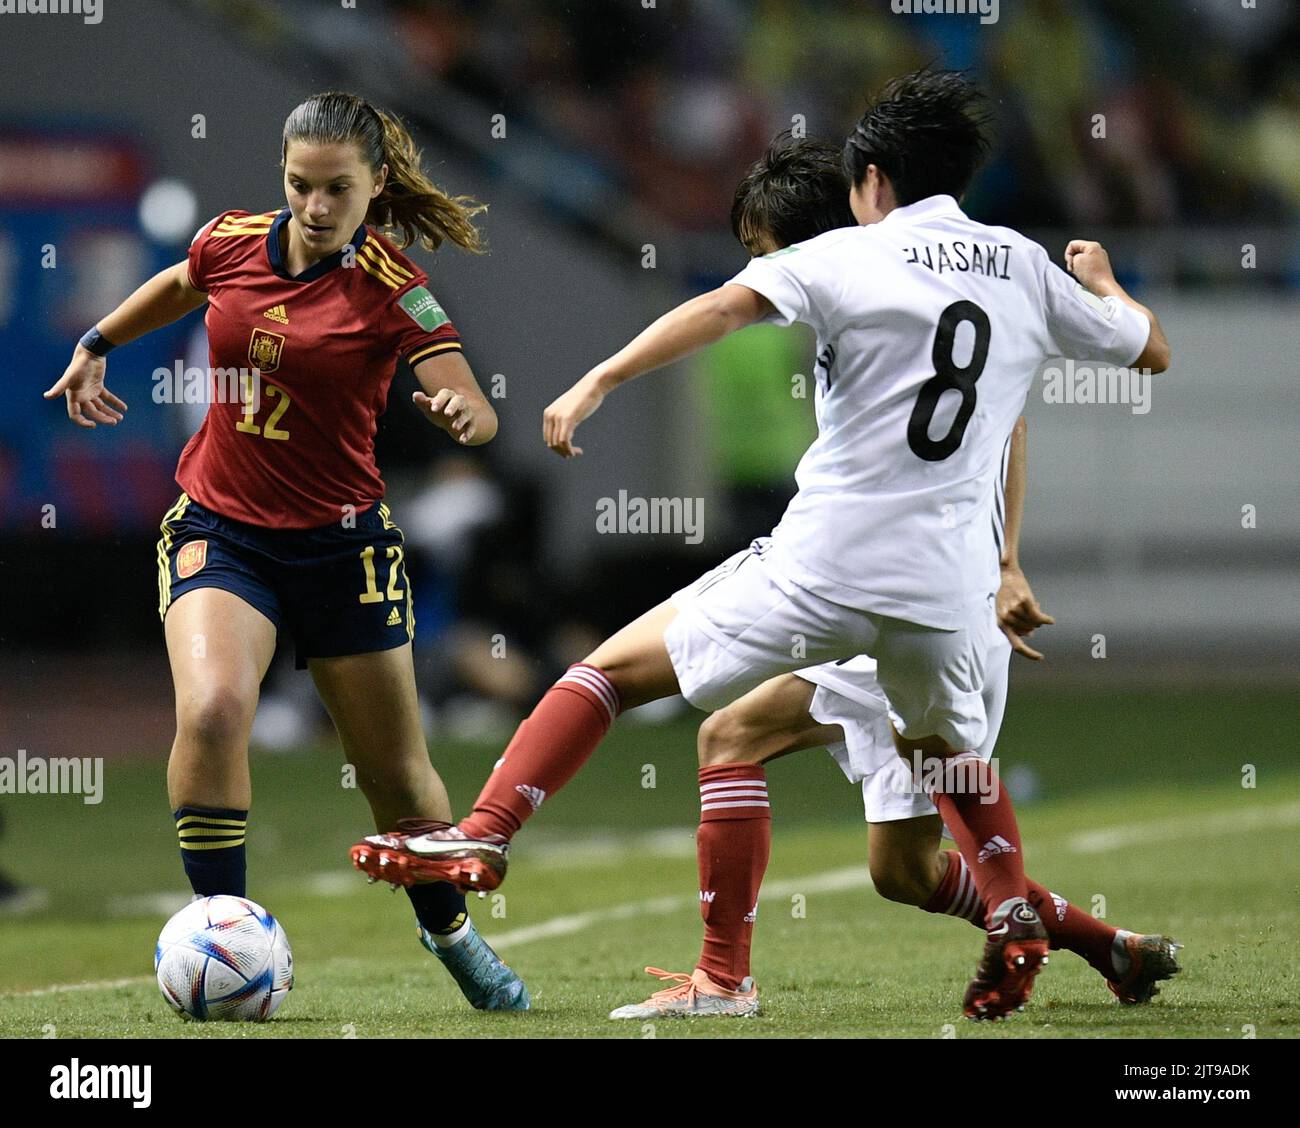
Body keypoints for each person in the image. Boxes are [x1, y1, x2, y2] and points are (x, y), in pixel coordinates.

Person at [353, 70, 1172, 1020]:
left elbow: (717, 308)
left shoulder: (846, 257)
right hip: (948, 598)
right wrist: (1104, 297)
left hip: (828, 566)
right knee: (916, 816)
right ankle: (1033, 918)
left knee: (610, 672)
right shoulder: (1022, 265)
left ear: (869, 179)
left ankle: (490, 838)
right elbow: (1137, 357)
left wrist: (596, 383)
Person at [604, 139, 1179, 1019]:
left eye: (764, 250)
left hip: (902, 602)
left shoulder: (863, 292)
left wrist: (1004, 563)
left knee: (731, 736)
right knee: (901, 871)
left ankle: (723, 982)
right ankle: (1108, 948)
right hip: (917, 594)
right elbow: (1013, 425)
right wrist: (1006, 562)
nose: (759, 271)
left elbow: (1028, 420)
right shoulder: (938, 298)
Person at [44, 91, 527, 1011]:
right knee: (219, 707)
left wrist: (467, 411)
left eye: (336, 189)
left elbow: (469, 392)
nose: (313, 206)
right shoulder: (233, 239)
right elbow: (185, 282)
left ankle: (452, 936)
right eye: (299, 185)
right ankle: (221, 931)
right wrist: (99, 339)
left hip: (342, 550)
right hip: (220, 531)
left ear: (375, 184)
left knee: (396, 776)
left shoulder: (394, 284)